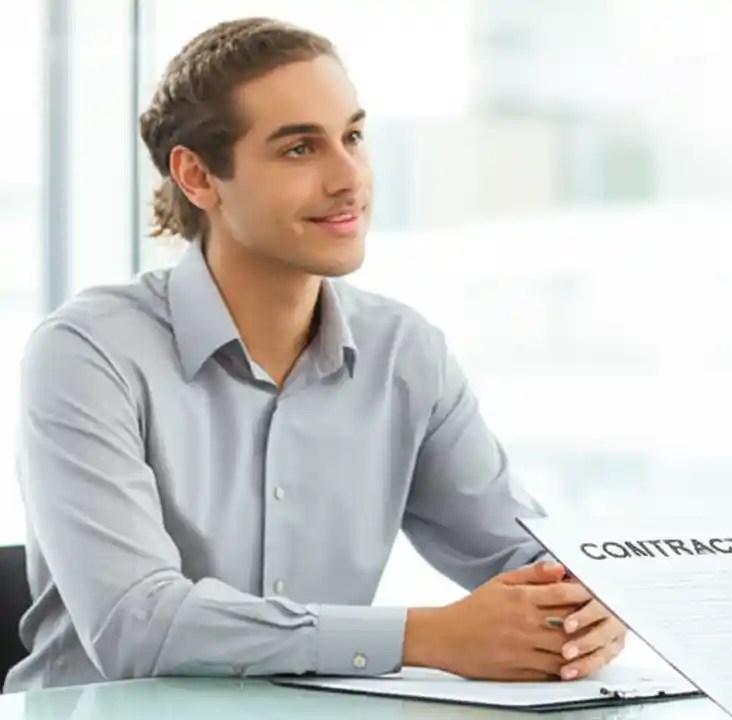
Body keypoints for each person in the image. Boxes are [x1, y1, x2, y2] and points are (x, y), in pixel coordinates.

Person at [4, 17, 626, 693]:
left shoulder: (406, 355)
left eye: (353, 137)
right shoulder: (89, 354)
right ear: (198, 176)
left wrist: (590, 602)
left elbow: (520, 554)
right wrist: (428, 638)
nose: (349, 178)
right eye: (300, 150)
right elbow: (138, 623)